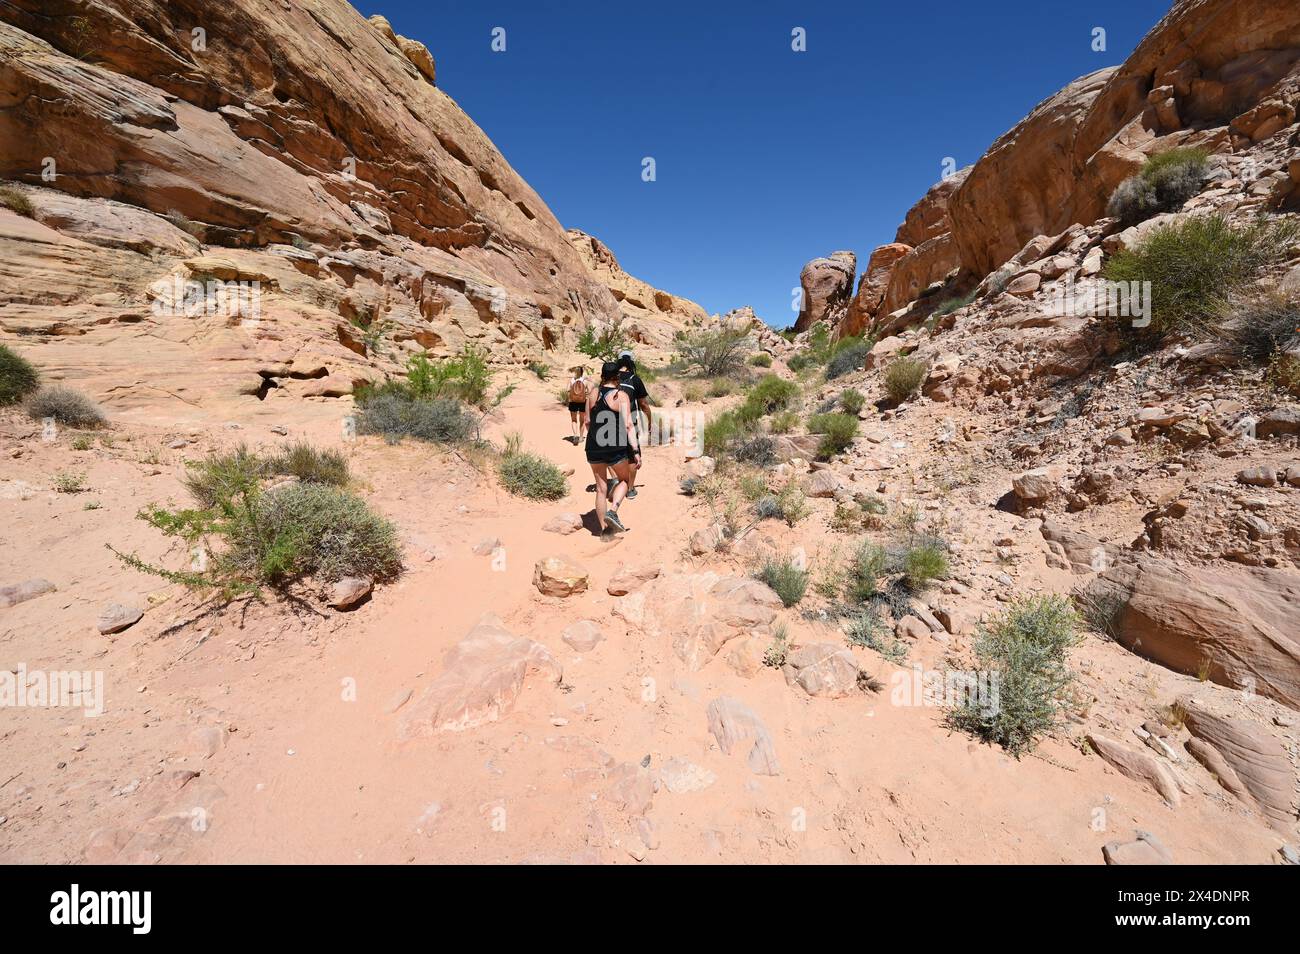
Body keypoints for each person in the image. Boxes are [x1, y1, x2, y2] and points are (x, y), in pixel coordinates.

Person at [585, 361, 640, 533]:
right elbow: (628, 425)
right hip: (615, 446)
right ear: (617, 377)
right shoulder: (621, 396)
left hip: (594, 446)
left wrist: (595, 434)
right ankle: (613, 511)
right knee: (624, 480)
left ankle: (604, 530)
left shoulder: (593, 393)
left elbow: (587, 421)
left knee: (601, 490)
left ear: (602, 376)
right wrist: (636, 451)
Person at [615, 350, 651, 499]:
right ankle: (629, 489)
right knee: (631, 454)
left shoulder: (610, 378)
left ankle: (617, 484)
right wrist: (650, 420)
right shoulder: (634, 379)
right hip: (630, 421)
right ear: (631, 362)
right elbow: (643, 404)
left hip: (610, 421)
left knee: (614, 453)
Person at [565, 365, 589, 444]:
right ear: (582, 372)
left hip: (573, 401)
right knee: (582, 420)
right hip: (582, 402)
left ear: (575, 372)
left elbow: (567, 390)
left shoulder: (572, 380)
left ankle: (575, 435)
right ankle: (581, 437)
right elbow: (588, 391)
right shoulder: (584, 381)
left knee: (574, 419)